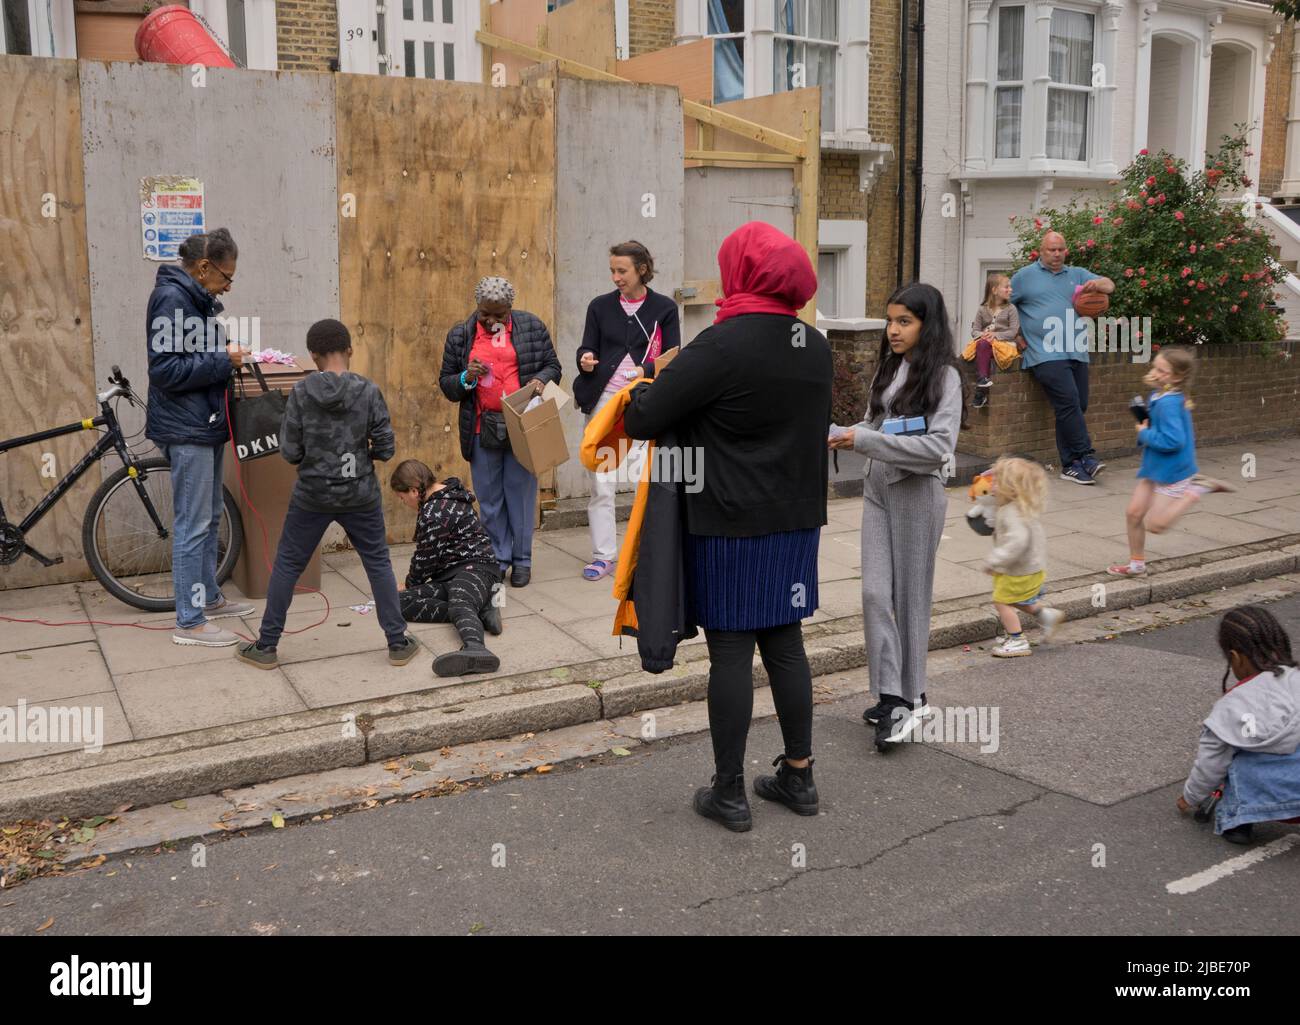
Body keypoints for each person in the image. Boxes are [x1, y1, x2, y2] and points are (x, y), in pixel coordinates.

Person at [622, 221, 830, 833]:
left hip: (728, 520)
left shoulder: (720, 344)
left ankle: (730, 791)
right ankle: (799, 774)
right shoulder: (814, 344)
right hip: (794, 521)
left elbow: (645, 415)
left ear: (743, 271)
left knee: (732, 654)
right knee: (787, 645)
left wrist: (655, 375)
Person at [829, 282, 965, 753]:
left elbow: (936, 449)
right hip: (877, 492)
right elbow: (872, 424)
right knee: (873, 594)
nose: (893, 330)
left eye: (904, 321)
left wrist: (863, 441)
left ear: (927, 325)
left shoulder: (945, 378)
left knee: (909, 600)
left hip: (916, 496)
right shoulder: (887, 371)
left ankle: (911, 697)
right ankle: (892, 693)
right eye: (890, 320)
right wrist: (844, 432)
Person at [236, 319, 418, 669]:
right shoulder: (368, 391)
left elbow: (289, 451)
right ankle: (397, 643)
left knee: (288, 564)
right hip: (360, 494)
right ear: (349, 350)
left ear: (314, 356)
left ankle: (266, 647)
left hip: (312, 495)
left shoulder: (302, 393)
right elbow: (385, 448)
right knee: (377, 563)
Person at [145, 227, 256, 647]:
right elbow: (165, 370)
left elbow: (195, 356)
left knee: (209, 518)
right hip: (185, 426)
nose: (228, 285)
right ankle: (189, 621)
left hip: (204, 422)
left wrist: (226, 357)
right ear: (204, 267)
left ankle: (208, 597)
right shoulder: (172, 299)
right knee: (192, 525)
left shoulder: (197, 299)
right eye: (227, 276)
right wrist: (222, 359)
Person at [438, 277, 562, 588]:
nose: (492, 321)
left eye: (500, 315)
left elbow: (552, 365)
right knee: (490, 499)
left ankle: (522, 561)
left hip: (522, 425)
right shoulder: (461, 335)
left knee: (520, 495)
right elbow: (447, 384)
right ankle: (497, 558)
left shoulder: (531, 327)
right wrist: (467, 376)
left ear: (511, 309)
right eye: (485, 314)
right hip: (483, 427)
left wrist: (539, 382)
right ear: (477, 308)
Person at [575, 241, 681, 581]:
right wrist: (586, 359)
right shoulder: (600, 306)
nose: (616, 277)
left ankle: (645, 556)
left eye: (622, 270)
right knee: (602, 483)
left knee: (645, 481)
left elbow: (673, 355)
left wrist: (644, 371)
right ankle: (603, 556)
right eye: (612, 271)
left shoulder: (664, 308)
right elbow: (587, 345)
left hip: (644, 399)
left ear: (642, 270)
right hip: (606, 402)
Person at [1178, 606, 1300, 844]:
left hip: (1272, 796)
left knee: (1235, 765)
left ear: (1235, 658)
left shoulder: (1233, 706)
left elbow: (1210, 764)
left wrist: (1190, 797)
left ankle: (1239, 824)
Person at [1108, 347, 1234, 577]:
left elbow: (1173, 441)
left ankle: (1197, 488)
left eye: (1161, 370)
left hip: (1174, 470)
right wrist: (1146, 421)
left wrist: (1144, 433)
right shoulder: (1160, 394)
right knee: (1134, 513)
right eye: (1154, 366)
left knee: (1156, 525)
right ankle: (1137, 565)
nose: (1155, 372)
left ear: (1177, 377)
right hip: (1155, 466)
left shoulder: (1169, 402)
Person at [1010, 230, 1114, 485]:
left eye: (1060, 249)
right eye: (1051, 250)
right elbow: (999, 304)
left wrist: (1097, 285)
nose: (1056, 254)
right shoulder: (1025, 277)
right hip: (1044, 352)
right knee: (1068, 401)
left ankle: (1070, 466)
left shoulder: (1077, 274)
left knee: (1078, 406)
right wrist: (1013, 335)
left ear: (1065, 250)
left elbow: (1110, 285)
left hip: (1076, 349)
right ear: (1040, 251)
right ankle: (1086, 456)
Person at [390, 458, 503, 677]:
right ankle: (483, 609)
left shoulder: (435, 511)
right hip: (449, 577)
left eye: (402, 498)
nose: (404, 503)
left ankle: (476, 649)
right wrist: (408, 589)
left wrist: (410, 583)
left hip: (478, 569)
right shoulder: (444, 496)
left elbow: (425, 559)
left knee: (460, 600)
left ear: (414, 490)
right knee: (396, 602)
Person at [977, 457, 1064, 657]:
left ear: (1011, 487)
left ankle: (1017, 640)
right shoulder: (1020, 505)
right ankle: (1047, 616)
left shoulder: (1010, 512)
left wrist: (995, 560)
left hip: (1017, 570)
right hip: (1031, 567)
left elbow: (1017, 541)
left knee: (1001, 602)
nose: (992, 485)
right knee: (1018, 599)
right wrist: (990, 476)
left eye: (997, 482)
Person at [962, 273, 1021, 409]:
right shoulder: (982, 309)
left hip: (1005, 344)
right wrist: (984, 334)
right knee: (982, 344)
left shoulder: (1011, 309)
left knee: (983, 347)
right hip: (986, 343)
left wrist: (995, 335)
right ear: (994, 290)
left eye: (1010, 287)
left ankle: (981, 390)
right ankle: (982, 381)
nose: (1010, 290)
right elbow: (974, 330)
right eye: (1006, 287)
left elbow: (1013, 331)